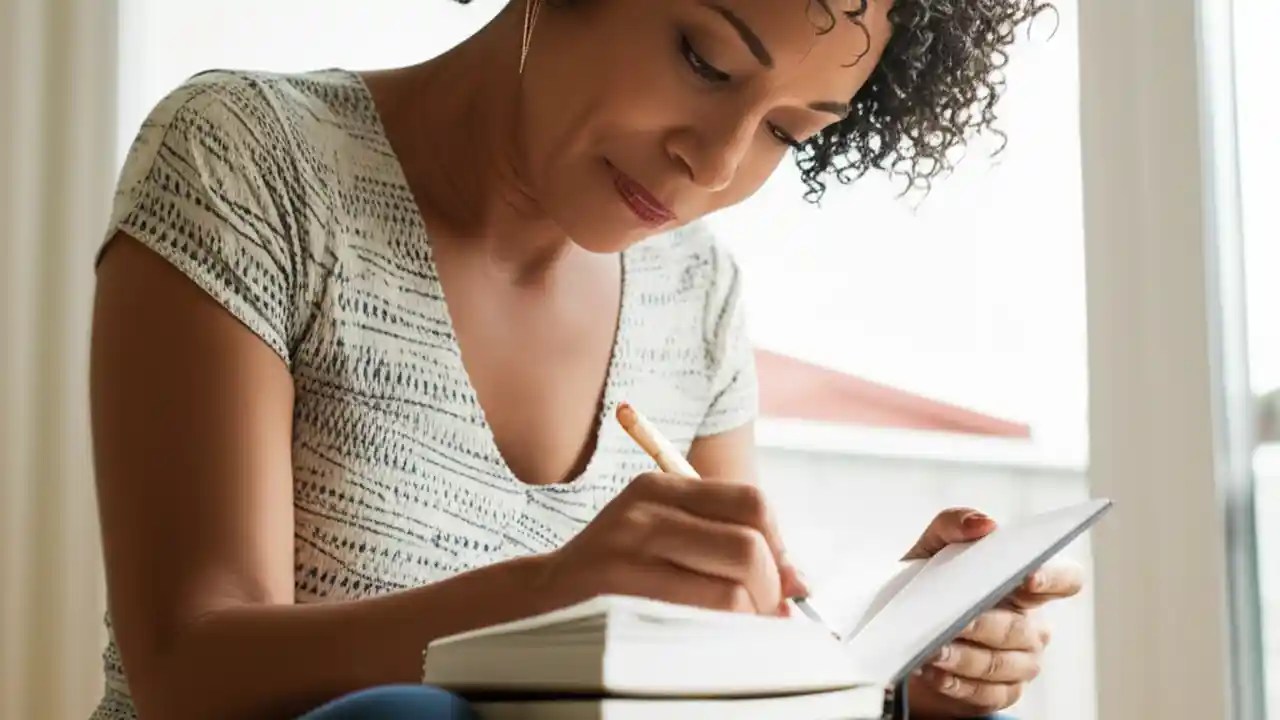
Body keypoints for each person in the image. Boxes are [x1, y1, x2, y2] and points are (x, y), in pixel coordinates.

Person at [88, 0, 1081, 718]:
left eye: (784, 130)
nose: (718, 162)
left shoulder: (695, 299)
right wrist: (549, 597)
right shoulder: (251, 160)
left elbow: (713, 677)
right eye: (702, 59)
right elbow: (186, 669)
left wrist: (889, 665)